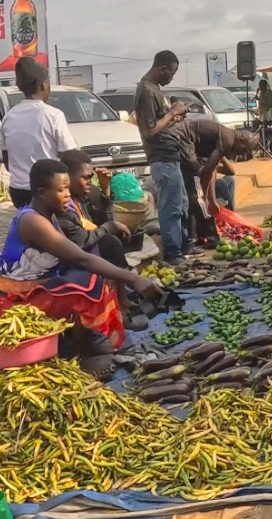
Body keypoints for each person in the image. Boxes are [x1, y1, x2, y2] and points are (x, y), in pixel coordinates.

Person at [0, 160, 163, 376]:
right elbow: (81, 258)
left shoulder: (49, 216)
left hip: (36, 285)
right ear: (41, 193)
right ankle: (81, 355)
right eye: (61, 189)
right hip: (16, 296)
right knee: (85, 281)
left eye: (67, 187)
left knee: (92, 275)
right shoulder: (32, 221)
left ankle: (89, 338)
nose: (68, 194)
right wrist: (134, 279)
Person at [54, 150, 147, 327]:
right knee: (110, 242)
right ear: (67, 178)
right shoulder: (64, 205)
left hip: (83, 250)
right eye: (84, 177)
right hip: (67, 260)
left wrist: (105, 190)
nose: (89, 181)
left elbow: (101, 222)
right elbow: (82, 241)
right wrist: (110, 227)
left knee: (113, 238)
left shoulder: (81, 199)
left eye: (90, 177)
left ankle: (121, 298)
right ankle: (116, 303)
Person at [134, 51, 190, 262]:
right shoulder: (147, 91)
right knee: (171, 207)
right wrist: (172, 113)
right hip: (162, 158)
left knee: (181, 203)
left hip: (170, 156)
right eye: (172, 73)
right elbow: (150, 130)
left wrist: (176, 115)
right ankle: (173, 252)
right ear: (163, 69)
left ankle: (183, 246)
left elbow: (161, 123)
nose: (172, 78)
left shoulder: (154, 89)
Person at [0, 58, 78, 207]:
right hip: (48, 193)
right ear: (43, 85)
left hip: (18, 191)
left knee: (29, 225)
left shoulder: (8, 118)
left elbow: (8, 163)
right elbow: (69, 157)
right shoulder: (53, 115)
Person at [177, 118, 255, 244]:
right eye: (244, 150)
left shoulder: (225, 139)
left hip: (187, 143)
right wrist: (204, 195)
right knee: (197, 196)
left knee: (194, 195)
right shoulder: (227, 141)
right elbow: (207, 171)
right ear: (241, 141)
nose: (241, 154)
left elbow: (211, 170)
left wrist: (211, 199)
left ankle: (196, 237)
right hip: (184, 139)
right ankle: (211, 236)